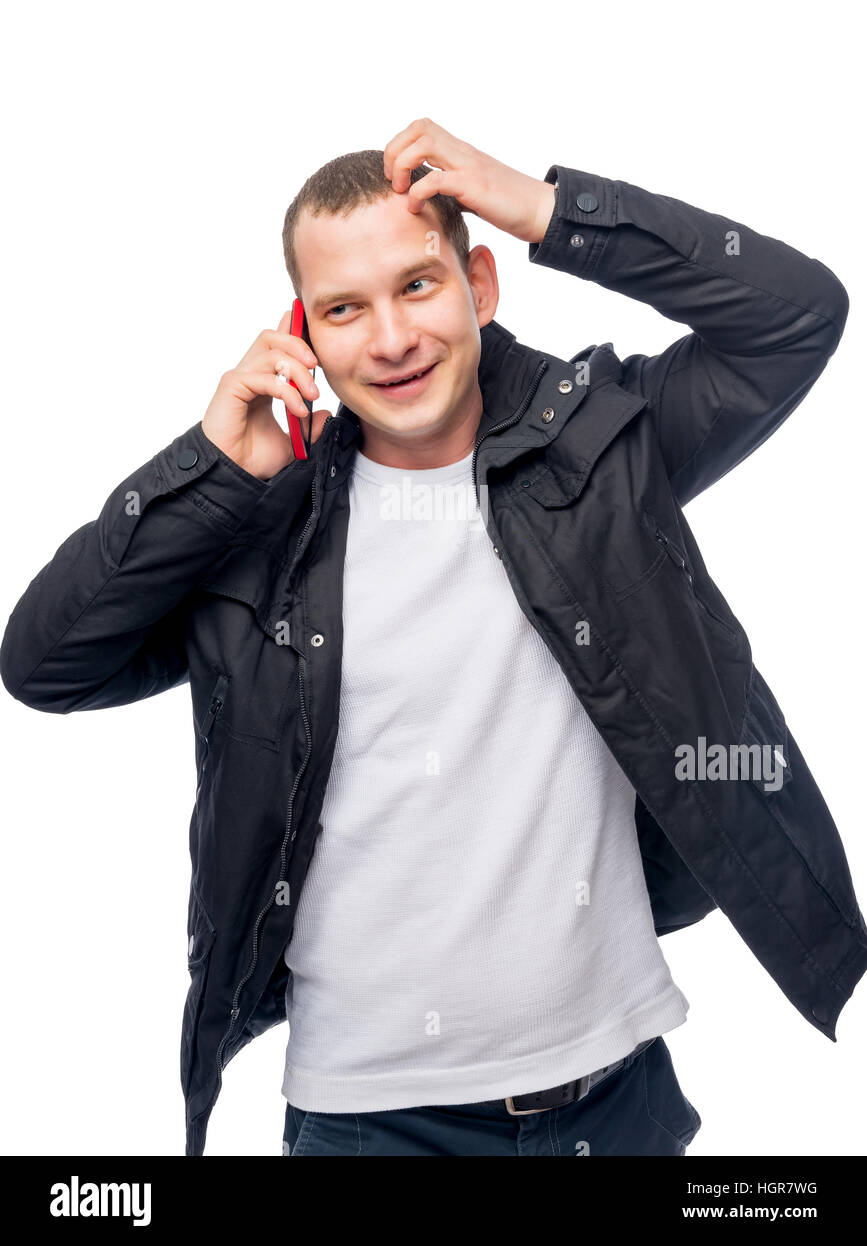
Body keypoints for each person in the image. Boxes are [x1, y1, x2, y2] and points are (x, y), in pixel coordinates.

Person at [2, 119, 864, 1157]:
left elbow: (796, 314)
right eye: (343, 309)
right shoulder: (260, 527)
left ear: (480, 285)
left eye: (418, 285)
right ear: (302, 335)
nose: (391, 339)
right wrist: (213, 469)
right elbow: (44, 661)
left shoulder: (603, 450)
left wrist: (549, 206)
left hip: (616, 1099)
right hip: (369, 1121)